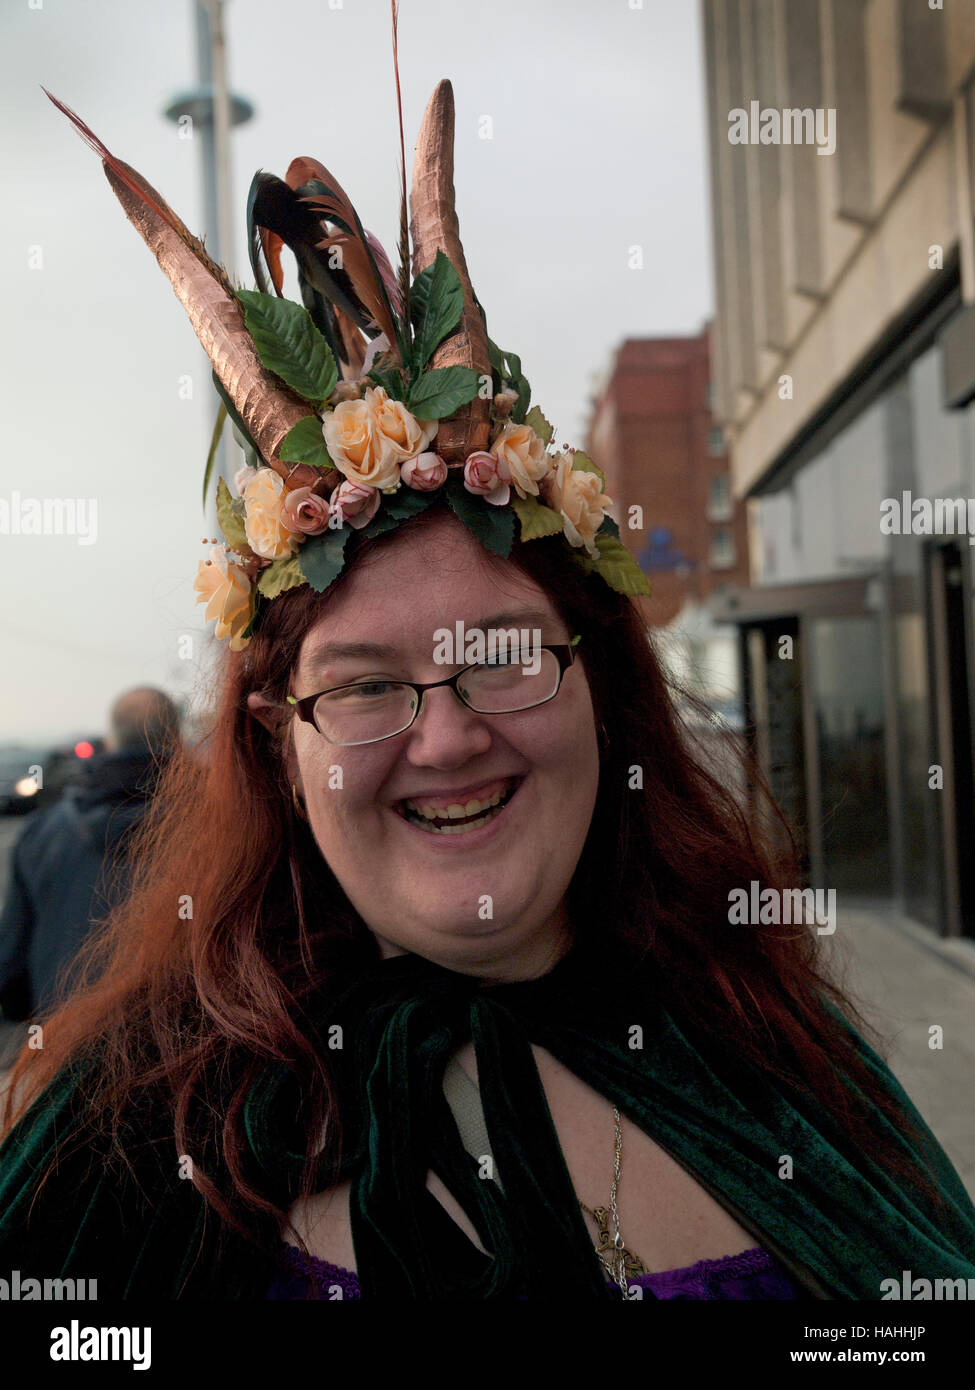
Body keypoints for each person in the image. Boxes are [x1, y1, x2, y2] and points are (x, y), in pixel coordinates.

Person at [1, 55, 974, 1303]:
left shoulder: (769, 1036)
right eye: (362, 685)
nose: (448, 738)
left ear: (603, 689)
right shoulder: (133, 1134)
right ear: (278, 747)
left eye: (503, 656)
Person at [0, 687, 180, 1022]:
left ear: (112, 739)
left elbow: (11, 965)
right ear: (177, 737)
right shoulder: (230, 825)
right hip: (193, 1055)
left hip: (64, 1048)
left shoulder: (42, 831)